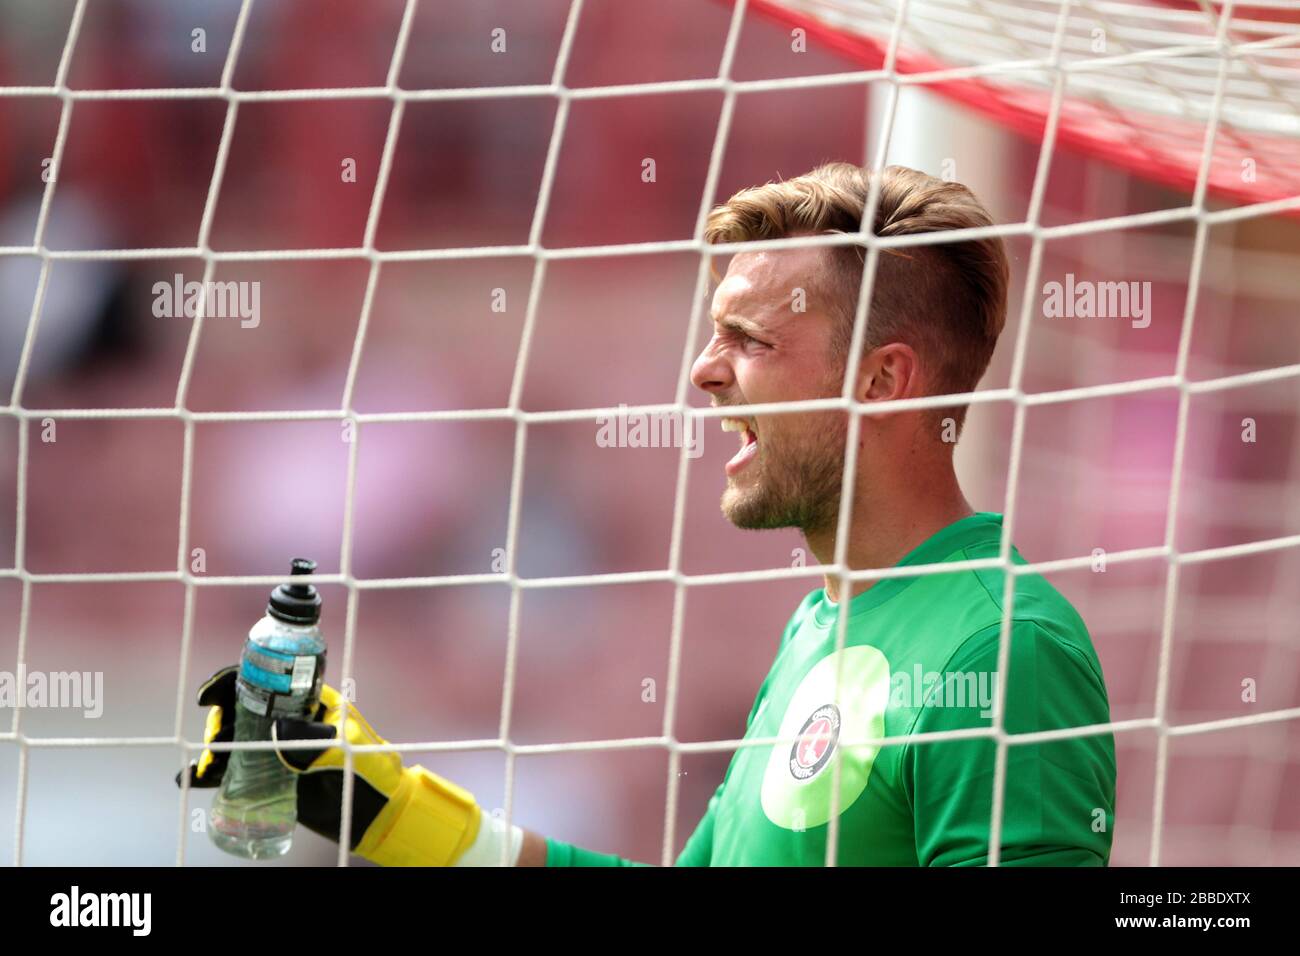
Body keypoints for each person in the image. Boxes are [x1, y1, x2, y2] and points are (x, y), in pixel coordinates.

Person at [178, 163, 1117, 866]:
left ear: (881, 382)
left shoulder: (1000, 653)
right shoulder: (826, 625)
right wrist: (379, 805)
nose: (705, 372)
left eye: (748, 340)